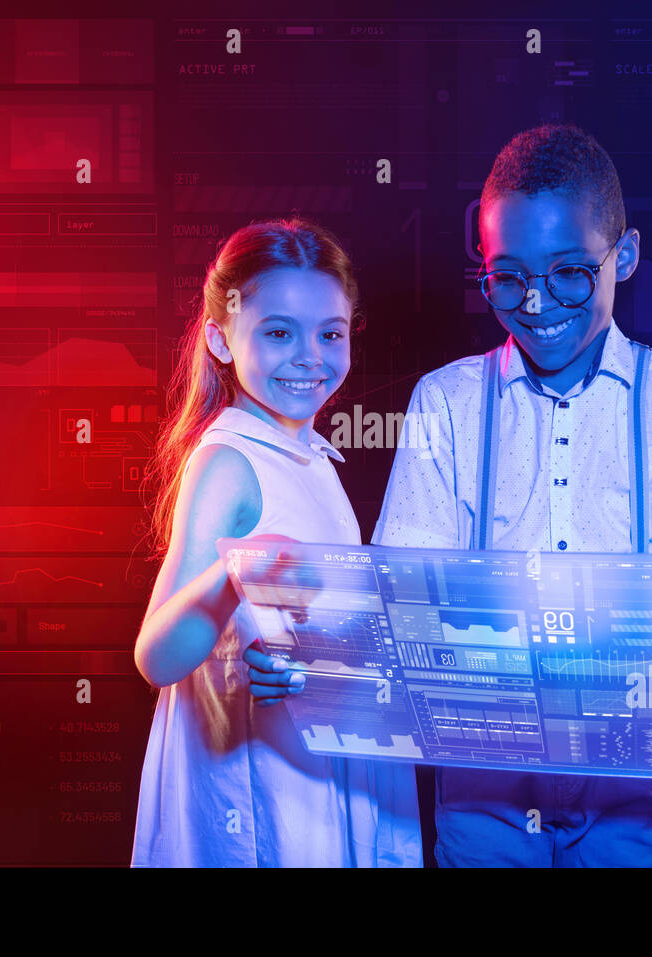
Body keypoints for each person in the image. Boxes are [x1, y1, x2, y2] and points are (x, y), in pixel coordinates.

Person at [264, 123, 652, 866]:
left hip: (634, 810)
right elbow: (396, 613)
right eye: (507, 277)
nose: (536, 302)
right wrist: (302, 659)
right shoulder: (445, 402)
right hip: (483, 808)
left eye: (570, 272)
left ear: (624, 256)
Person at [131, 217, 422, 867]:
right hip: (261, 793)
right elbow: (156, 655)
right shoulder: (227, 461)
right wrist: (235, 573)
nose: (310, 356)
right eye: (279, 332)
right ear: (221, 338)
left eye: (331, 333)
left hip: (311, 767)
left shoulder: (312, 456)